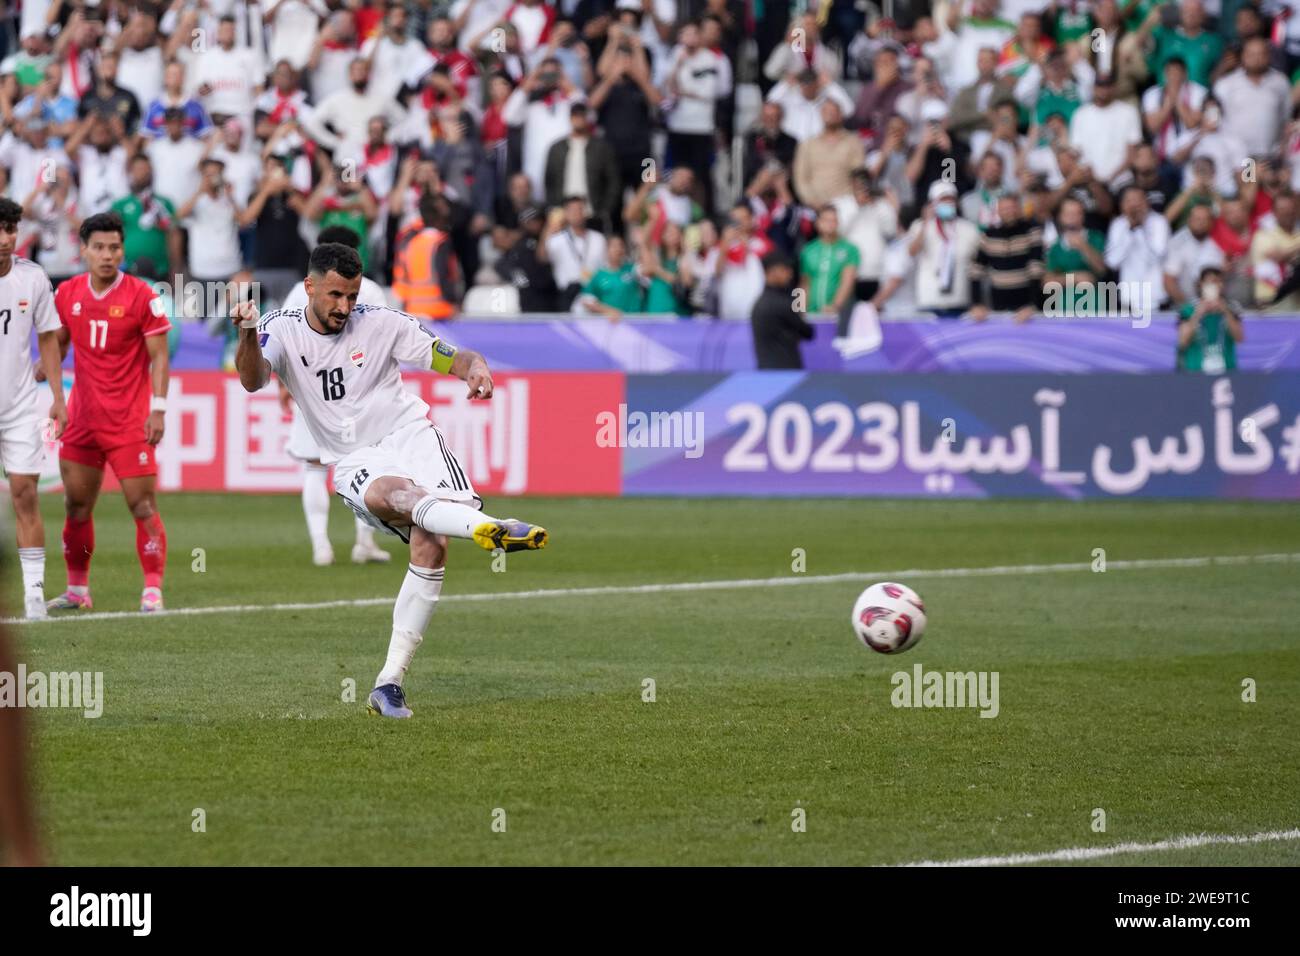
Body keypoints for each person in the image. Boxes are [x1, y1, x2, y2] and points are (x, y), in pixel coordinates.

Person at [232, 243, 548, 719]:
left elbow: (451, 357)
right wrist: (248, 335)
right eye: (335, 295)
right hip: (352, 456)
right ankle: (489, 527)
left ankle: (389, 684)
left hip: (410, 436)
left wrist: (475, 367)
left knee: (431, 545)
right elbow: (252, 380)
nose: (344, 306)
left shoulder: (382, 322)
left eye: (352, 295)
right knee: (397, 496)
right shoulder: (281, 328)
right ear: (309, 287)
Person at [47, 213, 171, 612]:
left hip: (129, 422)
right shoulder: (66, 293)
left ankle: (152, 587)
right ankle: (77, 590)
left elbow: (160, 358)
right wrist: (49, 381)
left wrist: (159, 409)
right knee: (76, 506)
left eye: (114, 247)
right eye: (98, 247)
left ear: (123, 249)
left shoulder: (142, 296)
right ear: (83, 250)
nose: (107, 255)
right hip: (82, 420)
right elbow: (58, 343)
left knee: (142, 505)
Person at [279, 226, 392, 566]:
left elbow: (280, 340)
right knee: (367, 467)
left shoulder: (304, 290)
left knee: (314, 467)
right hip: (359, 393)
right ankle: (362, 542)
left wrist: (283, 386)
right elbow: (385, 342)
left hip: (311, 388)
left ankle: (320, 546)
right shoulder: (370, 291)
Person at [0, 198, 67, 619]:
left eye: (11, 229)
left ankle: (34, 595)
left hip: (20, 406)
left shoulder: (33, 278)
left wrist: (58, 398)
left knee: (25, 494)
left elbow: (49, 338)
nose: (6, 239)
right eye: (0, 229)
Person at [751, 252, 814, 370]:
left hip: (765, 371)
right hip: (786, 373)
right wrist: (801, 309)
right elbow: (808, 332)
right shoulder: (782, 304)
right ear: (772, 272)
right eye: (785, 269)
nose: (790, 274)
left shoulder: (759, 303)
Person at [1177, 267, 1243, 374]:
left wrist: (1225, 311)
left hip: (1226, 369)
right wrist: (1198, 314)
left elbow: (1239, 338)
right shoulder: (1188, 309)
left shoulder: (1232, 308)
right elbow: (1183, 341)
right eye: (1210, 282)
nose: (1215, 286)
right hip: (1196, 370)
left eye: (1218, 282)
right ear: (1201, 285)